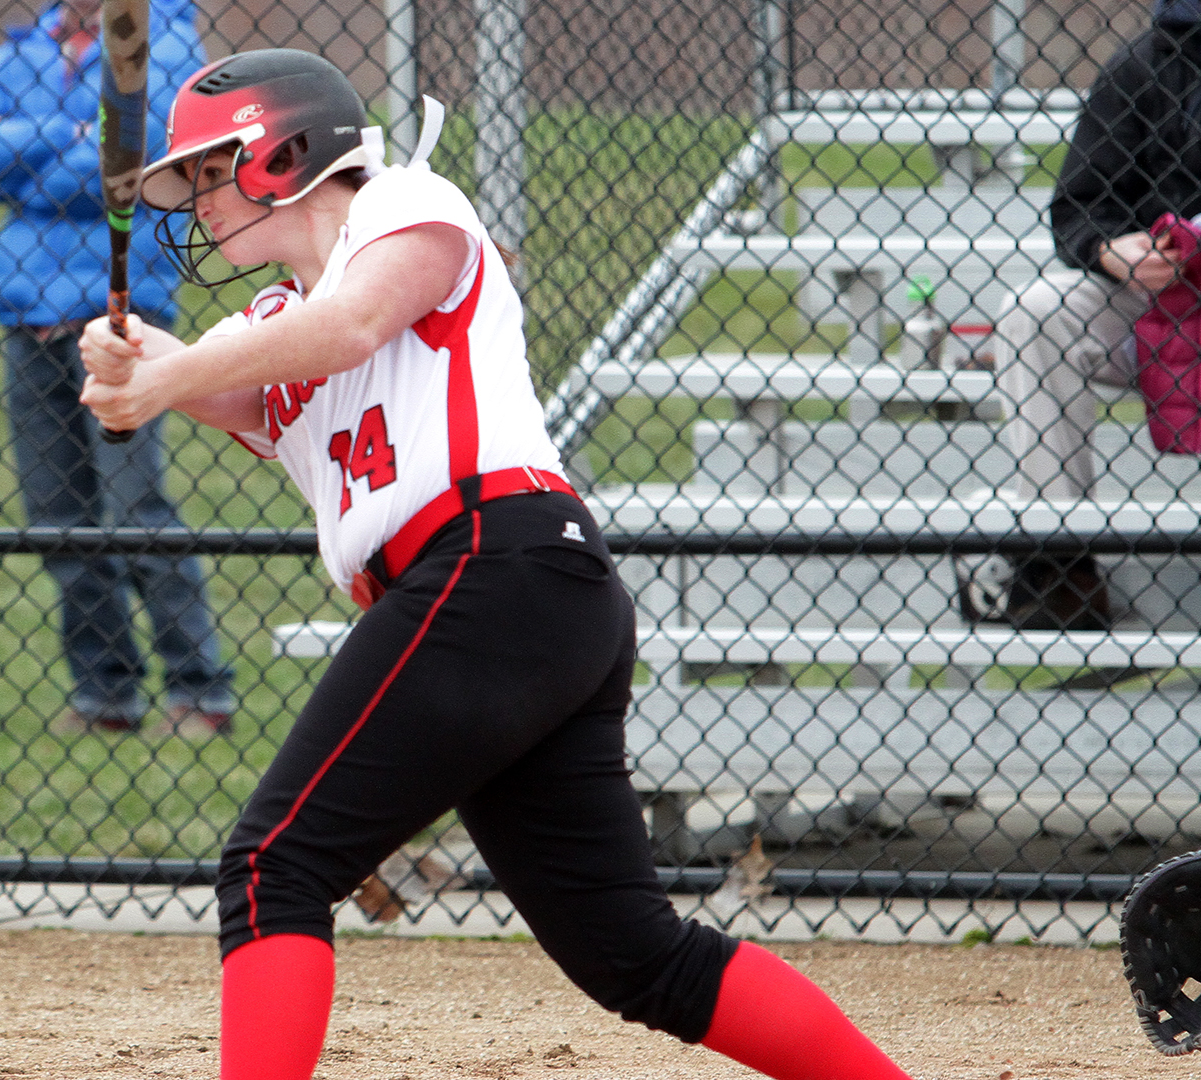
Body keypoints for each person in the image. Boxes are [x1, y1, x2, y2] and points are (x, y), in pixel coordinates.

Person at [79, 49, 919, 1080]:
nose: (197, 203)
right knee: (635, 955)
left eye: (212, 172)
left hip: (492, 570)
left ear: (286, 152)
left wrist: (163, 379)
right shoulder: (265, 326)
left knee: (272, 866)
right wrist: (128, 359)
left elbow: (347, 327)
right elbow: (223, 372)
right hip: (514, 608)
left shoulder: (407, 205)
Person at [0, 0, 235, 735]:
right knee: (57, 517)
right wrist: (70, 135)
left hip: (122, 311)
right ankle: (107, 693)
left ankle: (201, 690)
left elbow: (138, 158)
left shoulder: (164, 37)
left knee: (135, 507)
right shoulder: (25, 47)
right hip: (29, 316)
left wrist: (29, 166)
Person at [990, 0, 1201, 631]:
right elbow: (1078, 205)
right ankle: (1061, 559)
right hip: (1162, 292)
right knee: (1035, 312)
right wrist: (1115, 252)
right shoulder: (1144, 65)